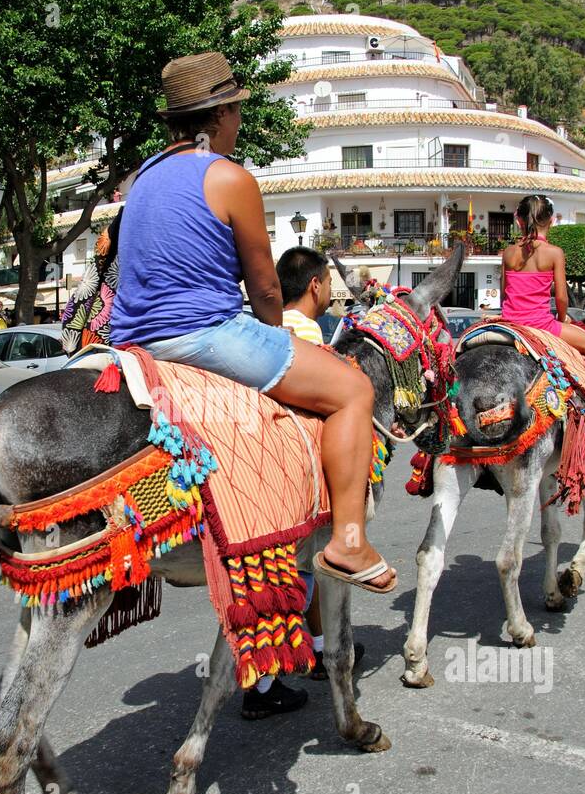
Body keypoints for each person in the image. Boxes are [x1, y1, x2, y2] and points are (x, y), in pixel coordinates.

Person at [111, 52, 396, 716]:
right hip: (208, 337)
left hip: (133, 343)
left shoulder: (141, 179)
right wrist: (277, 331)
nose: (241, 121)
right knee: (352, 387)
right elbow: (266, 286)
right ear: (219, 116)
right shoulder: (230, 176)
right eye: (237, 109)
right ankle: (349, 541)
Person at [276, 246, 368, 681]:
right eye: (329, 281)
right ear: (315, 285)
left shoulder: (268, 327)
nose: (331, 288)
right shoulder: (310, 336)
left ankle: (312, 647)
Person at [500, 194, 585, 421]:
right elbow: (562, 297)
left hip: (510, 322)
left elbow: (505, 291)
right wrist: (563, 317)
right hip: (539, 324)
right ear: (552, 221)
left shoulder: (508, 253)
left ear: (519, 221)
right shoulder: (554, 253)